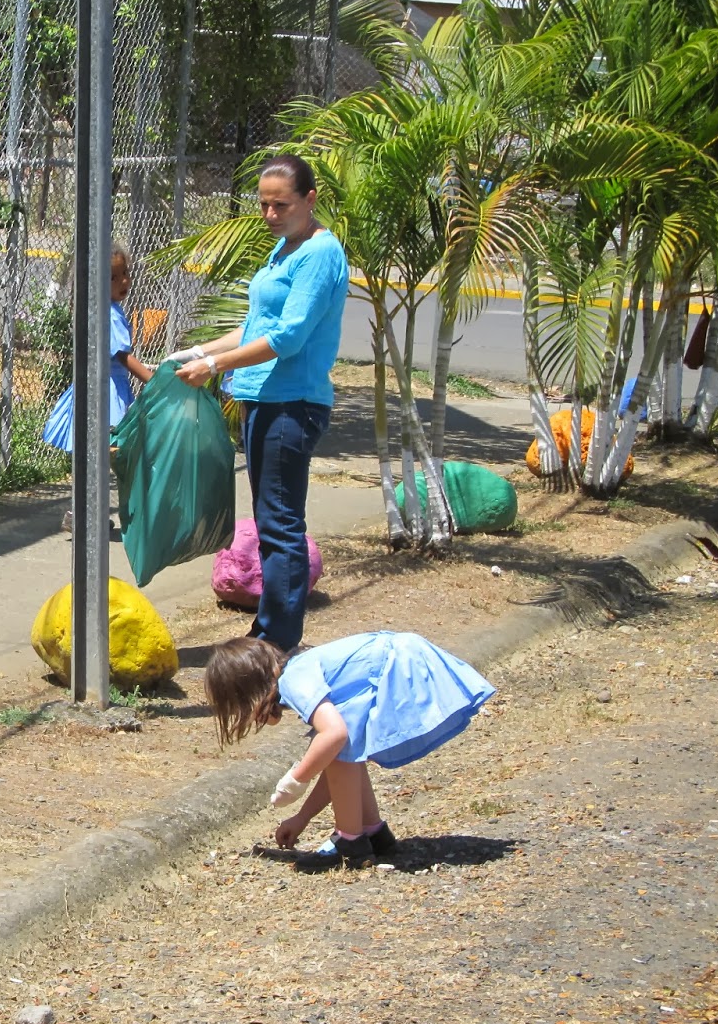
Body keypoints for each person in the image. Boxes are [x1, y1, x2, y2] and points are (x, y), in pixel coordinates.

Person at [170, 153, 347, 650]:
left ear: (310, 200)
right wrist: (202, 350)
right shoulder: (285, 249)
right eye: (264, 205)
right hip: (262, 400)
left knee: (280, 523)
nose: (270, 215)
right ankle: (269, 630)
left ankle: (278, 640)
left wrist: (215, 367)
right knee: (272, 520)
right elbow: (256, 327)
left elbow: (288, 337)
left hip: (292, 405)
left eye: (281, 205)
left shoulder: (318, 253)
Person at [203, 631, 495, 868]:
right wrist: (302, 818)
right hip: (407, 656)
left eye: (243, 708)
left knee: (333, 741)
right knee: (343, 747)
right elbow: (339, 756)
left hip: (402, 666)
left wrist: (295, 780)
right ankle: (371, 830)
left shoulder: (293, 679)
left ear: (252, 691)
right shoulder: (303, 670)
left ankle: (351, 841)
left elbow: (334, 736)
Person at [41, 243, 154, 534]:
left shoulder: (102, 309)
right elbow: (123, 356)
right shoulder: (110, 314)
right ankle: (85, 513)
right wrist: (153, 379)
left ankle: (85, 512)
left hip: (97, 386)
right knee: (106, 453)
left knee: (97, 456)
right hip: (107, 392)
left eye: (126, 274)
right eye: (114, 277)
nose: (124, 282)